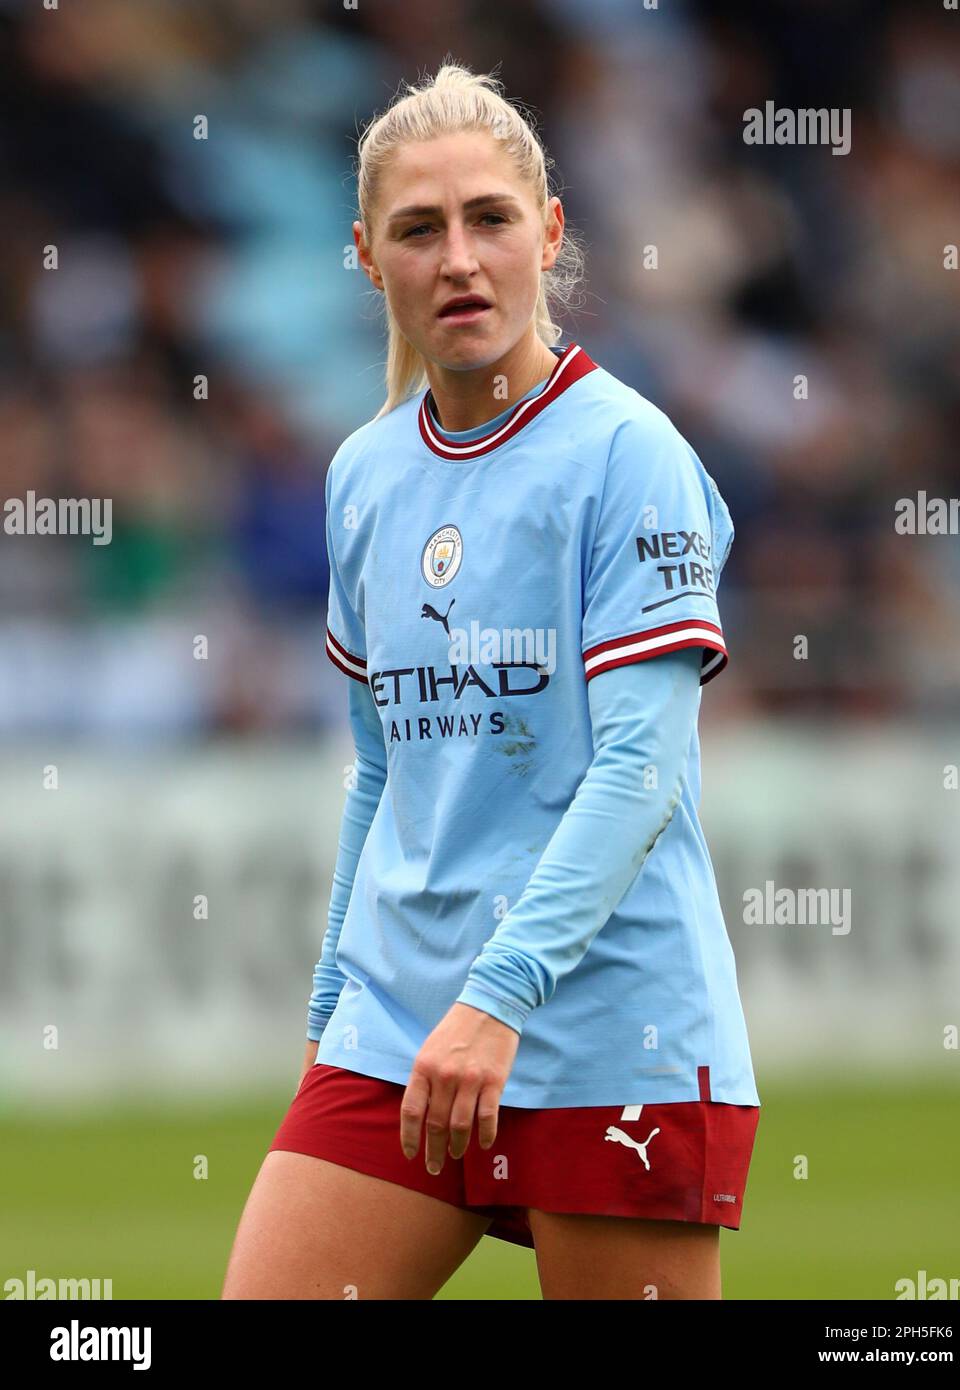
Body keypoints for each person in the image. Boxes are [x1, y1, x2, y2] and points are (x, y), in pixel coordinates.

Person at [222, 59, 759, 1302]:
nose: (457, 258)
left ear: (549, 233)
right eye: (419, 229)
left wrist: (500, 995)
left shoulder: (630, 455)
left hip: (601, 1023)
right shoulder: (361, 474)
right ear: (366, 256)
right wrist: (330, 1008)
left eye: (488, 220)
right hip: (398, 1025)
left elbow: (640, 769)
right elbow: (380, 769)